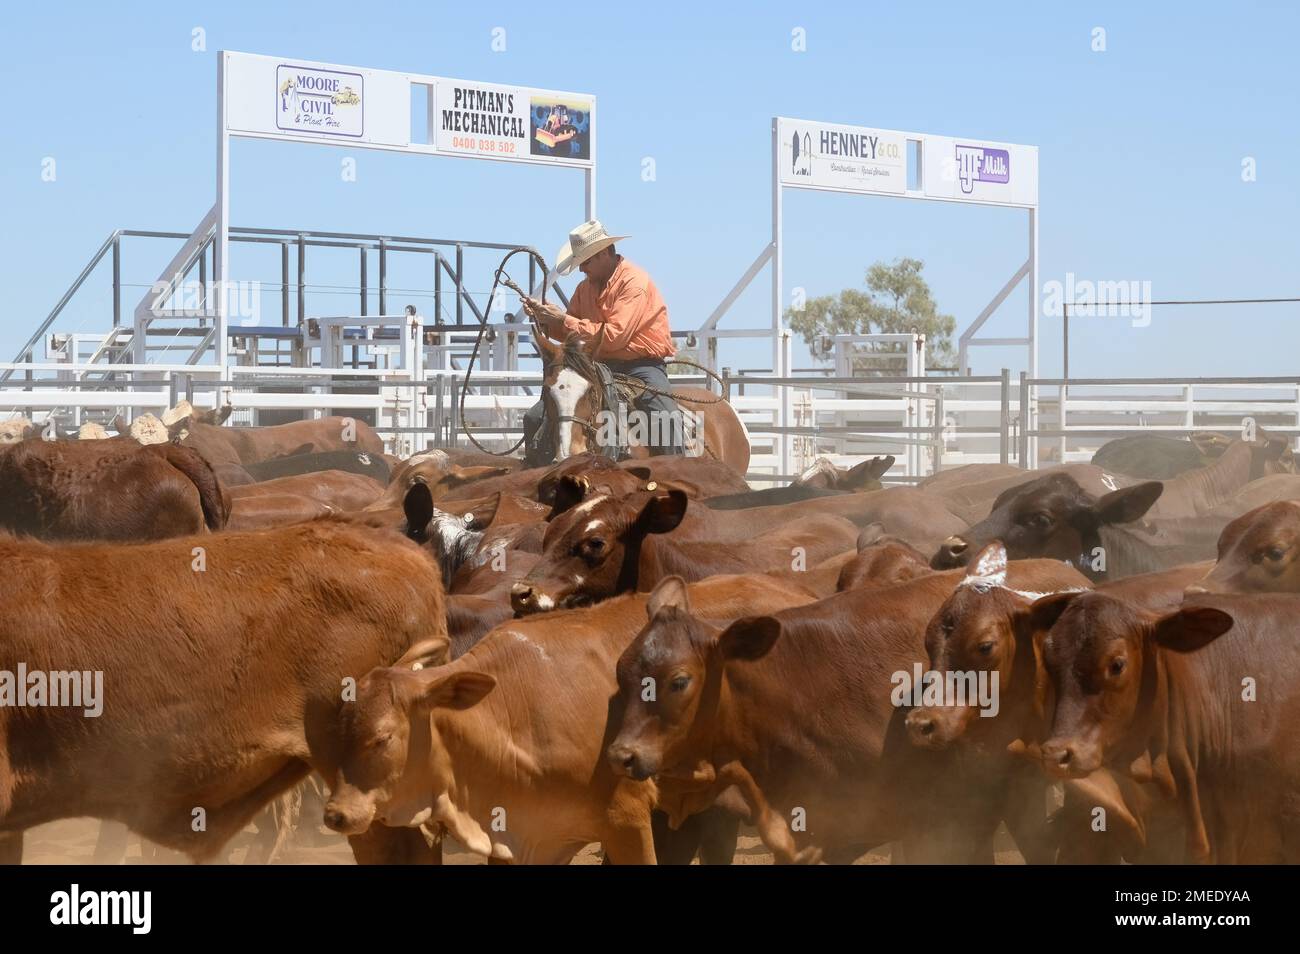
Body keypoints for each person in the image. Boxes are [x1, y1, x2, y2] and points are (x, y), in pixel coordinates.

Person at [521, 219, 683, 464]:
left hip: (642, 367)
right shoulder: (583, 289)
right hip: (596, 366)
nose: (582, 269)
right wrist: (546, 318)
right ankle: (536, 473)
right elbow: (572, 335)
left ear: (605, 253)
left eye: (585, 262)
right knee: (536, 416)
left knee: (663, 415)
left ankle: (679, 472)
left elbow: (615, 336)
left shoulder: (634, 282)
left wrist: (562, 319)